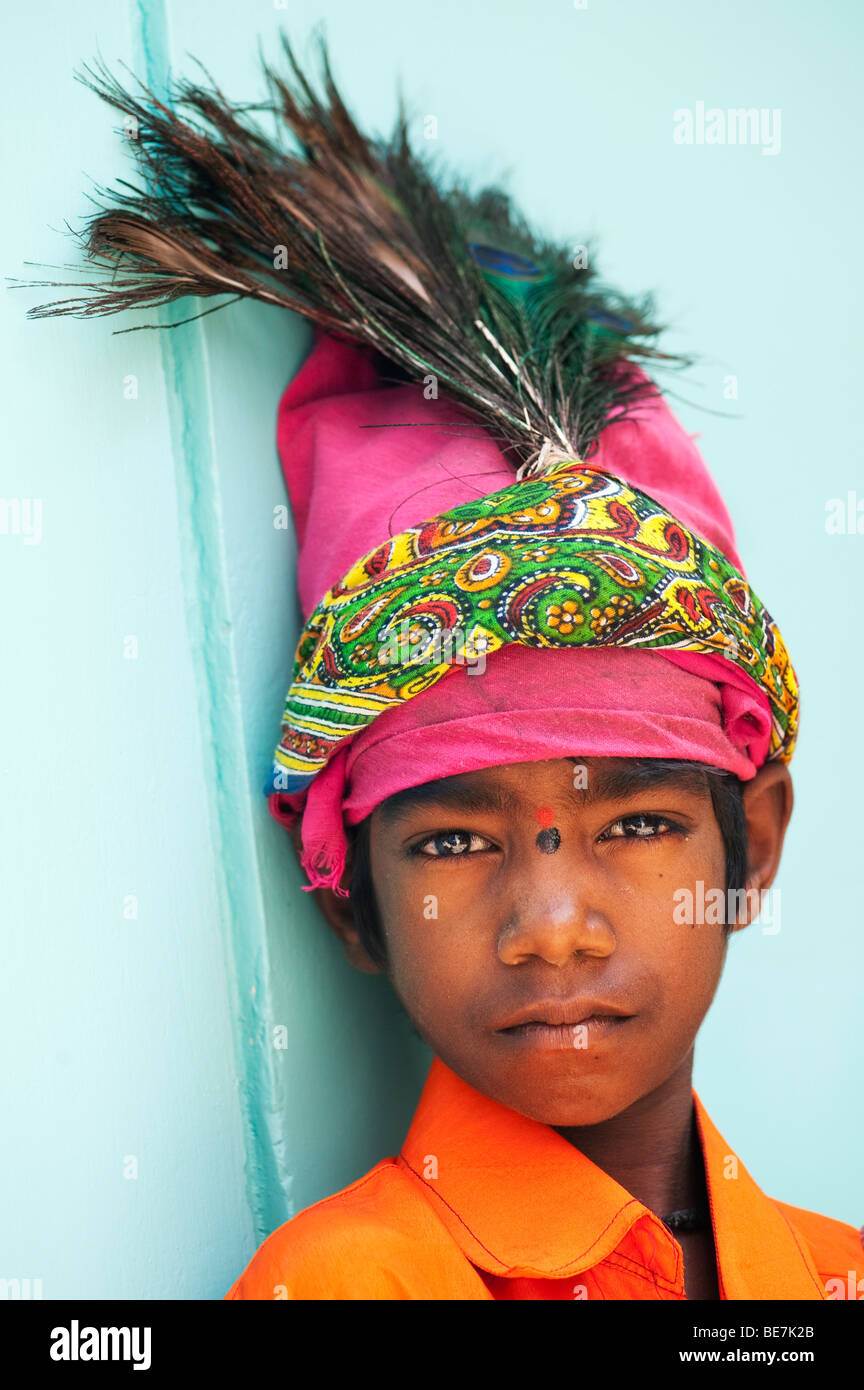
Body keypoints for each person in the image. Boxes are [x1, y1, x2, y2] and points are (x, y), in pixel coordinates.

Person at [27, 36, 859, 1301]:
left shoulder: (831, 1271)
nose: (552, 927)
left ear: (752, 835)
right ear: (344, 896)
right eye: (456, 842)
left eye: (636, 820)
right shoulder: (349, 1285)